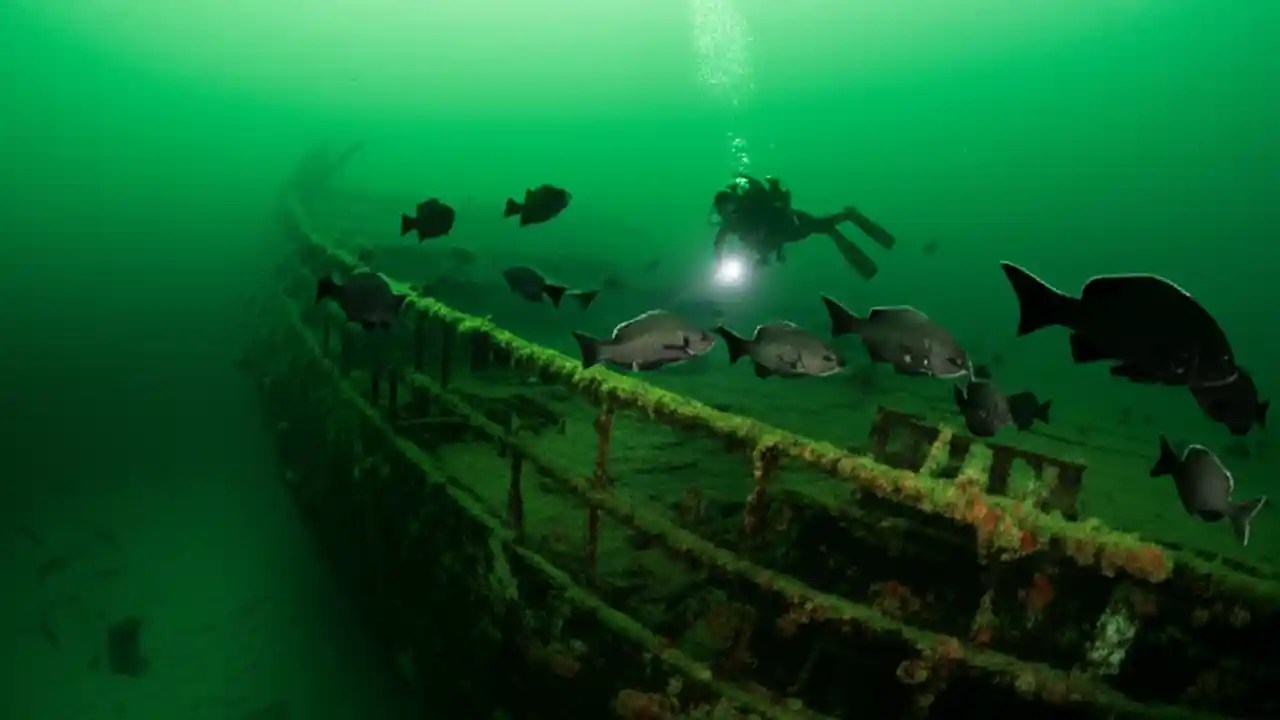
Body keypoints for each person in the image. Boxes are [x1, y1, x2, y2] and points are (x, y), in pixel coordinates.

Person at [710, 174, 895, 280]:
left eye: (729, 210)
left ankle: (850, 214)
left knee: (826, 226)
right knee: (826, 228)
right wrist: (720, 265)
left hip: (795, 224)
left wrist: (769, 252)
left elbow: (773, 225)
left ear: (736, 204)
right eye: (722, 212)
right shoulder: (729, 226)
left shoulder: (755, 208)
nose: (727, 216)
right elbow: (719, 244)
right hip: (785, 234)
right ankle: (841, 227)